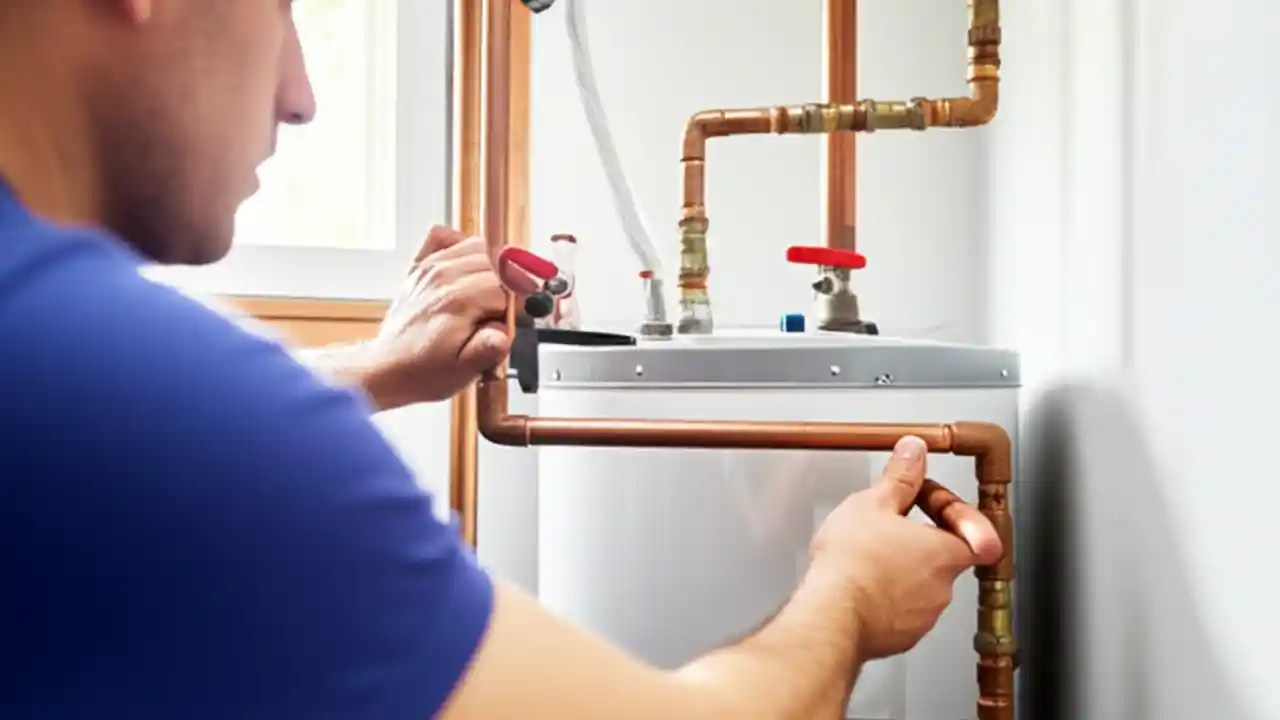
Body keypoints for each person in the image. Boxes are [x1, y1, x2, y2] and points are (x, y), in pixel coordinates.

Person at [0, 2, 1004, 719]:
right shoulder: (172, 419)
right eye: (284, 6)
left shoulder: (81, 391)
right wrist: (848, 596)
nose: (300, 94)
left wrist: (377, 365)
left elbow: (124, 436)